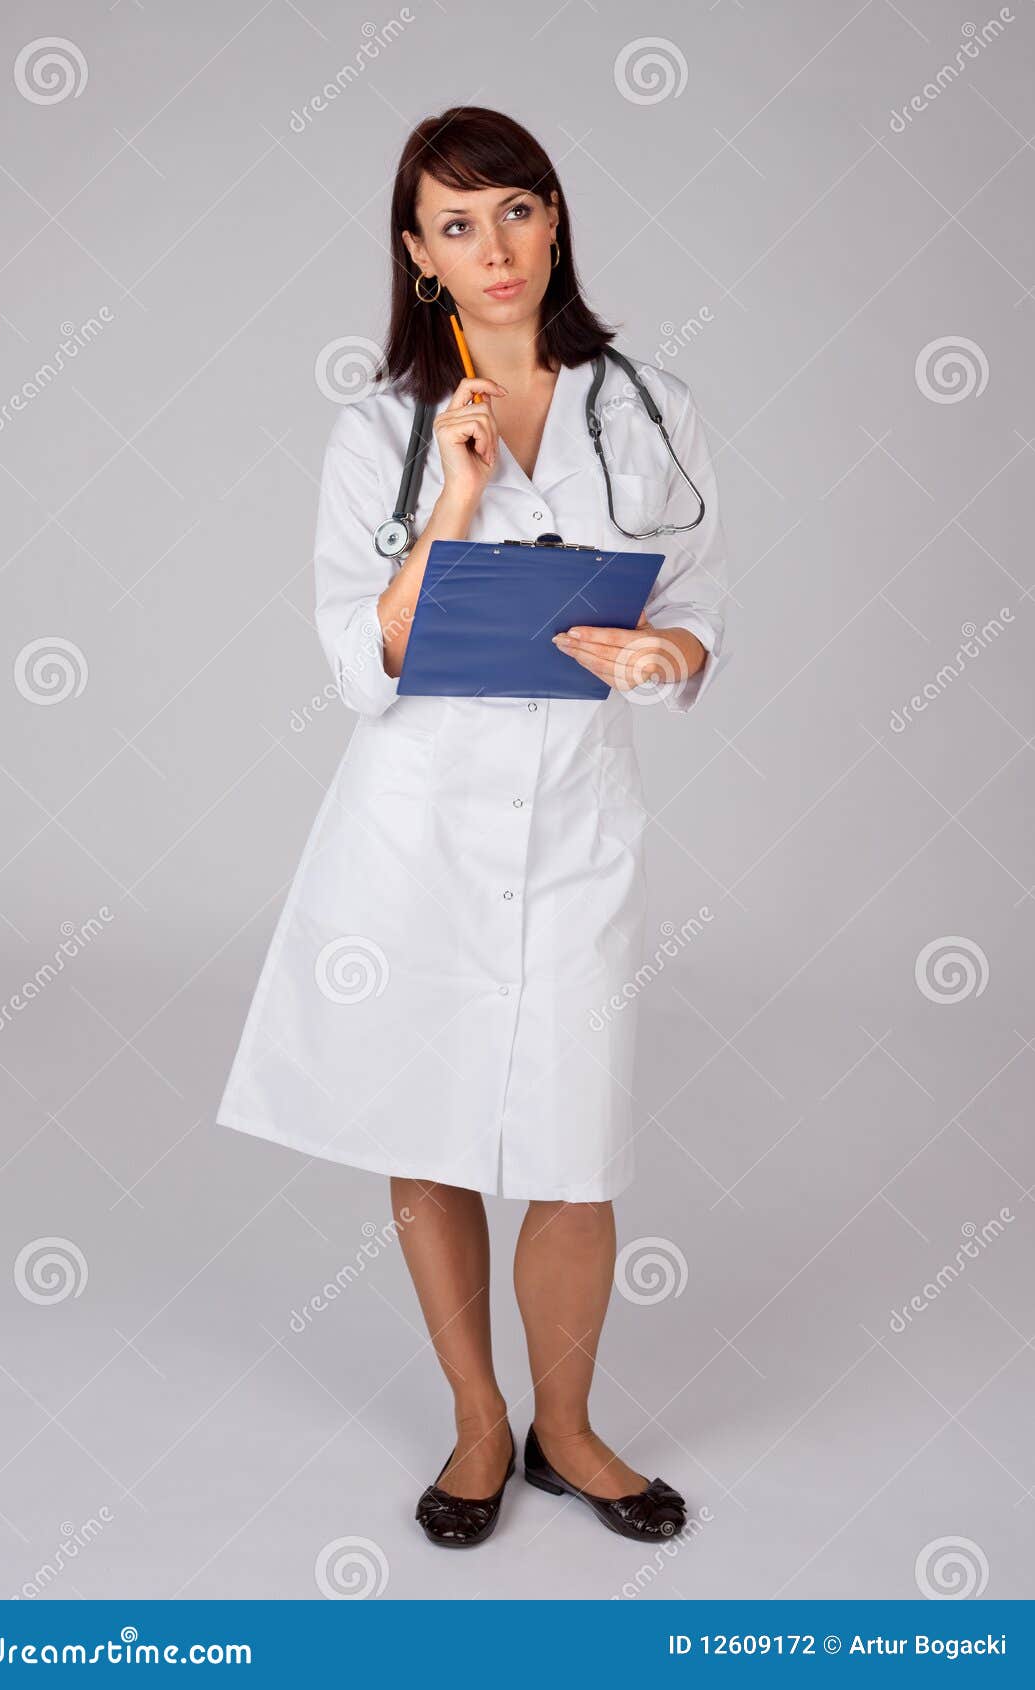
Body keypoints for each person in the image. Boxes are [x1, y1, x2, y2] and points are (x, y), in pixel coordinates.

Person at [217, 105, 728, 1548]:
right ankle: (480, 1421)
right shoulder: (377, 429)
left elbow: (697, 610)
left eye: (515, 208)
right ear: (418, 257)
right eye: (456, 224)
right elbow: (357, 660)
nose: (493, 246)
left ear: (555, 219)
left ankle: (568, 1426)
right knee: (428, 1119)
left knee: (576, 1143)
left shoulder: (651, 404)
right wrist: (453, 495)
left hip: (576, 822)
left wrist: (662, 660)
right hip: (416, 831)